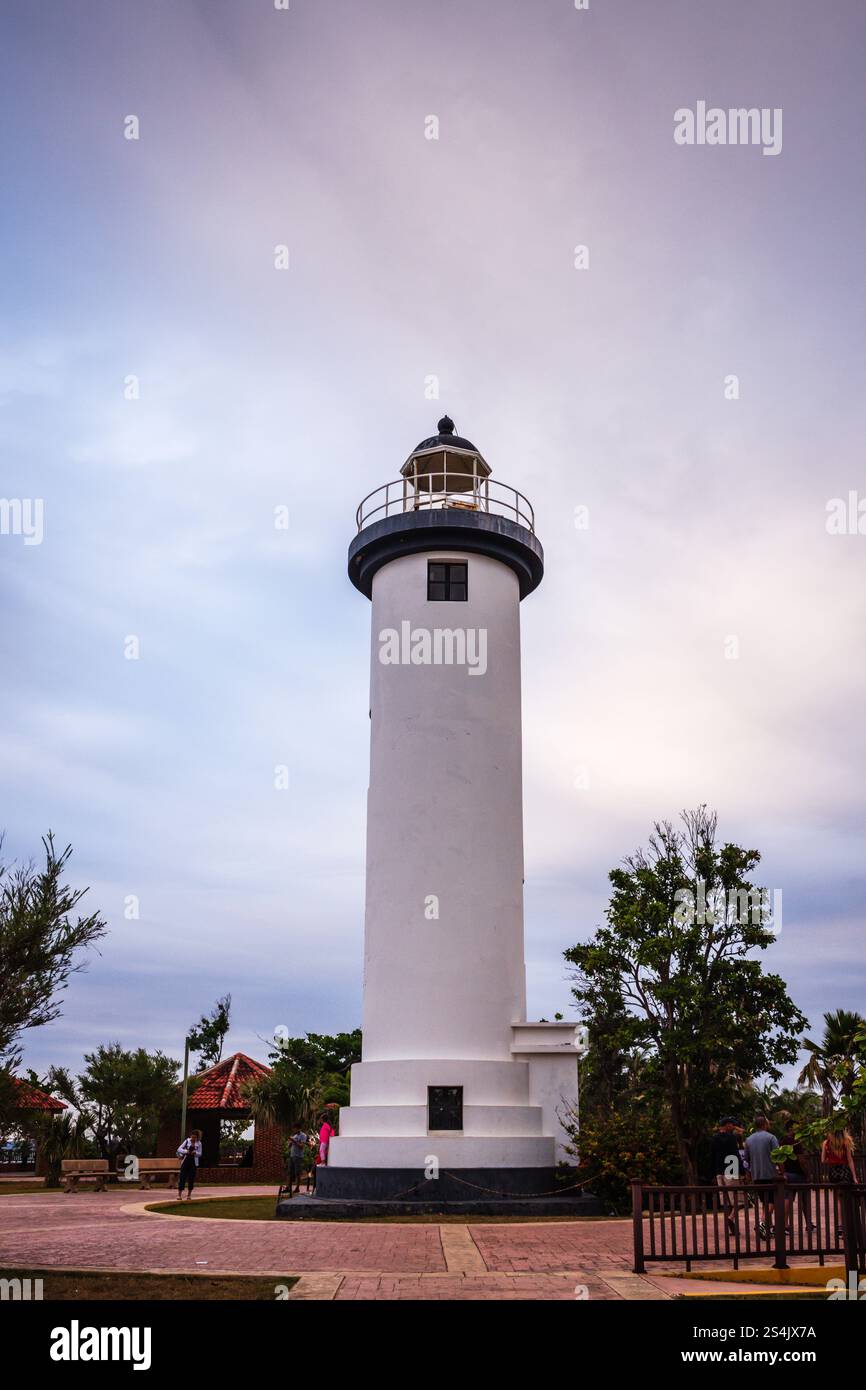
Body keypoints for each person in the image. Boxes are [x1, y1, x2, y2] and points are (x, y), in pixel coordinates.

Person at [744, 1114, 780, 1239]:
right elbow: (778, 1156)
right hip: (770, 1174)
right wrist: (782, 1171)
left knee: (765, 1202)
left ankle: (766, 1229)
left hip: (757, 1175)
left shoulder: (748, 1140)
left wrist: (749, 1174)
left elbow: (746, 1159)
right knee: (772, 1201)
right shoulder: (771, 1137)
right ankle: (762, 1223)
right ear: (765, 1124)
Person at [780, 1120, 814, 1234]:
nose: (798, 1129)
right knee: (805, 1200)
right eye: (796, 1127)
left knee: (787, 1199)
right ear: (791, 1128)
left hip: (787, 1174)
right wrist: (808, 1174)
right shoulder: (796, 1142)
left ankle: (785, 1225)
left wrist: (783, 1172)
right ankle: (808, 1224)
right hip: (798, 1174)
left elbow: (780, 1159)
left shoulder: (782, 1140)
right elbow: (802, 1160)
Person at [710, 1117, 742, 1233]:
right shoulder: (732, 1138)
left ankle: (731, 1227)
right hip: (731, 1168)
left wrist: (714, 1173)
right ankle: (731, 1218)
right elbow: (736, 1154)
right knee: (738, 1201)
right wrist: (742, 1171)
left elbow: (712, 1156)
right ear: (727, 1125)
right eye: (732, 1125)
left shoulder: (714, 1138)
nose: (733, 1127)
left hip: (719, 1171)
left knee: (726, 1202)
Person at [176, 1128, 202, 1201]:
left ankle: (189, 1195)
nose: (193, 1138)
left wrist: (195, 1153)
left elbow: (200, 1154)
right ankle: (179, 1194)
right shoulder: (187, 1141)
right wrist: (186, 1151)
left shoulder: (199, 1143)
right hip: (186, 1161)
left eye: (195, 1137)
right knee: (182, 1177)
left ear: (197, 1137)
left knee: (191, 1178)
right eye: (192, 1137)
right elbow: (179, 1149)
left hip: (193, 1163)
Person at [287, 1126, 308, 1196]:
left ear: (299, 1128)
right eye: (294, 1128)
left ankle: (297, 1188)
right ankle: (288, 1187)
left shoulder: (303, 1136)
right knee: (289, 1172)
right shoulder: (295, 1136)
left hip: (298, 1157)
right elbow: (289, 1146)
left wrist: (293, 1141)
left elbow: (301, 1146)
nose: (294, 1130)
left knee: (297, 1173)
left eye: (295, 1128)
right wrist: (290, 1143)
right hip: (292, 1156)